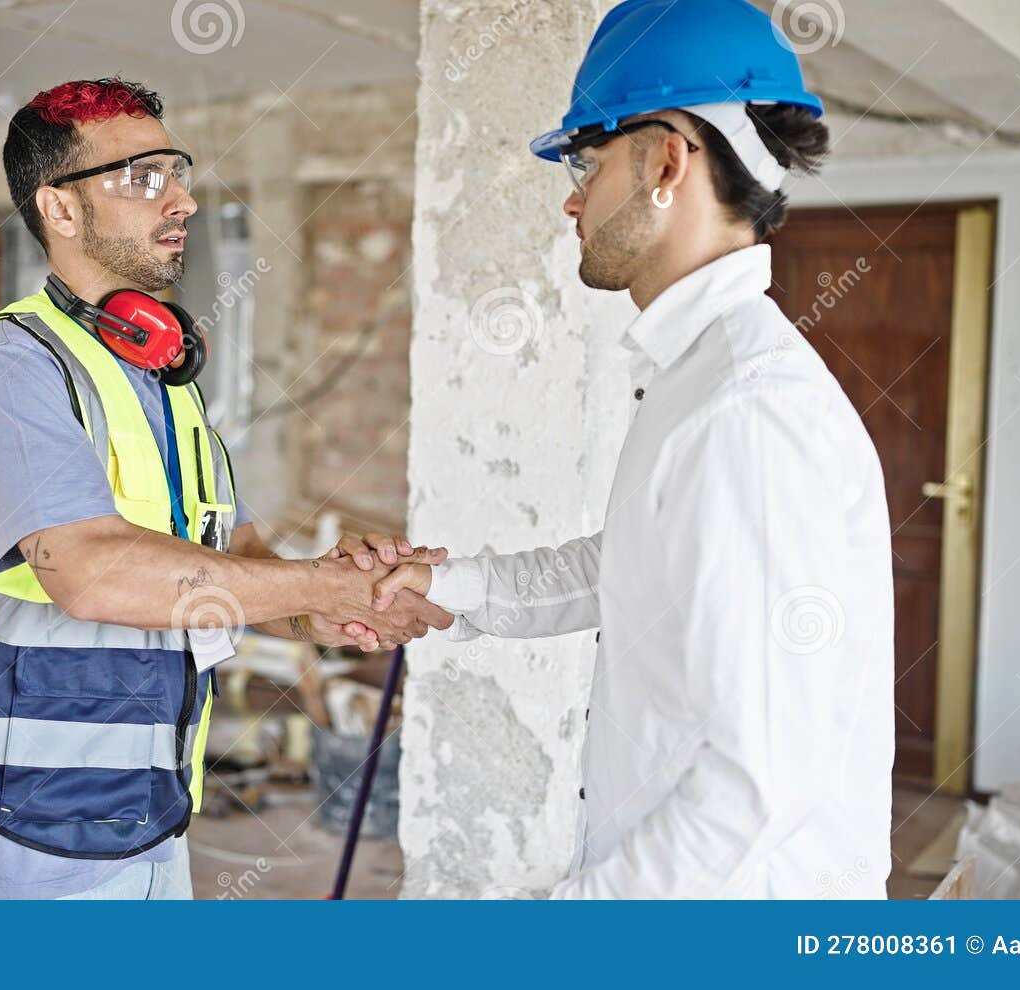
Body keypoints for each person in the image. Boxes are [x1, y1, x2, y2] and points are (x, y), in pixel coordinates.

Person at [353, 0, 894, 898]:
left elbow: (753, 788)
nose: (571, 195)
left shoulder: (745, 411)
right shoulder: (702, 376)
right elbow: (640, 566)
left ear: (668, 161)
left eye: (585, 159)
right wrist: (450, 587)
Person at [0, 77, 451, 900]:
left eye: (179, 172)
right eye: (143, 177)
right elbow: (91, 571)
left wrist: (332, 605)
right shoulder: (6, 365)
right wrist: (317, 583)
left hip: (147, 813)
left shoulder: (167, 387)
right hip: (18, 832)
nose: (184, 200)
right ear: (59, 210)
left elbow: (234, 560)